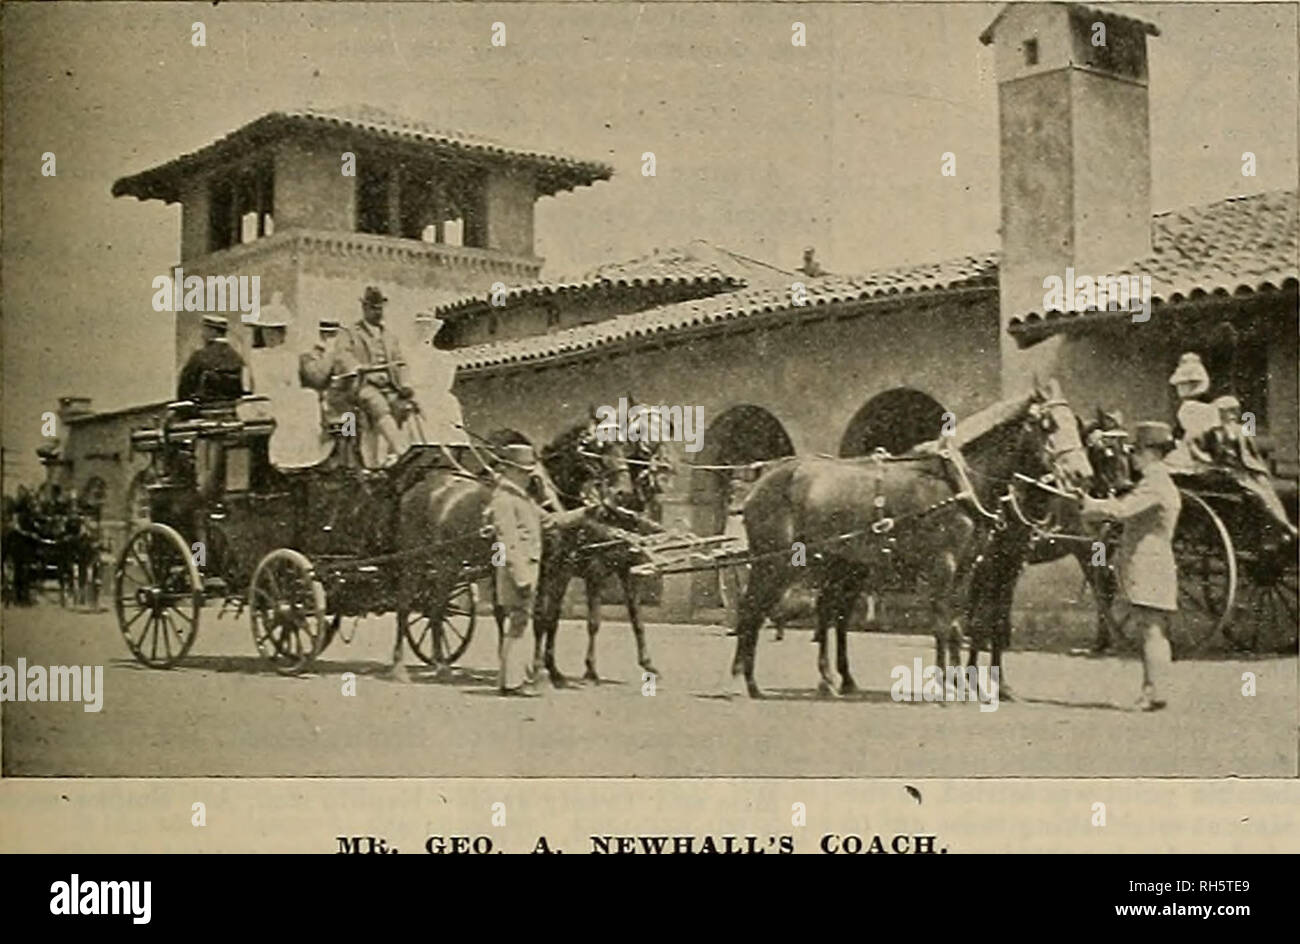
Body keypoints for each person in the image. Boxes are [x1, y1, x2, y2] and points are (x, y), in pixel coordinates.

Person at [1080, 421, 1181, 711]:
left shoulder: (1155, 482)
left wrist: (1091, 505)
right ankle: (1157, 691)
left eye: (1137, 451)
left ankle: (1151, 692)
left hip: (1146, 564)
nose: (1133, 458)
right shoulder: (1161, 482)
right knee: (1155, 630)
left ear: (1151, 452)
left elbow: (1123, 511)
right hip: (1159, 561)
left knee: (1150, 630)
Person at [483, 443, 545, 696]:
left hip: (527, 570)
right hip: (518, 573)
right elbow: (507, 541)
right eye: (523, 470)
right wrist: (521, 577)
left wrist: (587, 512)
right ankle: (512, 683)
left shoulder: (522, 498)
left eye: (529, 470)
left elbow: (550, 521)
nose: (528, 475)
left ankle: (512, 680)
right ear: (508, 470)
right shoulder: (504, 500)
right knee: (518, 625)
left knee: (520, 624)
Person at [338, 286, 417, 466]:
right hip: (362, 386)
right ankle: (402, 450)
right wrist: (357, 366)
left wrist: (405, 383)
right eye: (373, 308)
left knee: (404, 406)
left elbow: (400, 361)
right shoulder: (350, 332)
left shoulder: (389, 336)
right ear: (364, 308)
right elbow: (343, 355)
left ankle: (389, 458)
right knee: (376, 403)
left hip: (389, 386)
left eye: (380, 308)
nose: (377, 312)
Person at [407, 313, 469, 445]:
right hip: (413, 396)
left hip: (436, 395)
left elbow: (445, 382)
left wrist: (434, 393)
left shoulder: (442, 357)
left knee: (450, 402)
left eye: (429, 328)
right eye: (421, 328)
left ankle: (454, 443)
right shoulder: (405, 356)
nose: (425, 332)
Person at [177, 315, 250, 402]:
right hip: (231, 409)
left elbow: (185, 387)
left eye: (205, 330)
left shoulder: (200, 356)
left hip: (204, 409)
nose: (202, 335)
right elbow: (245, 388)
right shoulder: (237, 358)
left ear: (213, 331)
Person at [1166, 352, 1217, 468]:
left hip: (1195, 456)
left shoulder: (1192, 408)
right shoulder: (1210, 406)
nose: (1180, 388)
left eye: (1183, 385)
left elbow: (1191, 438)